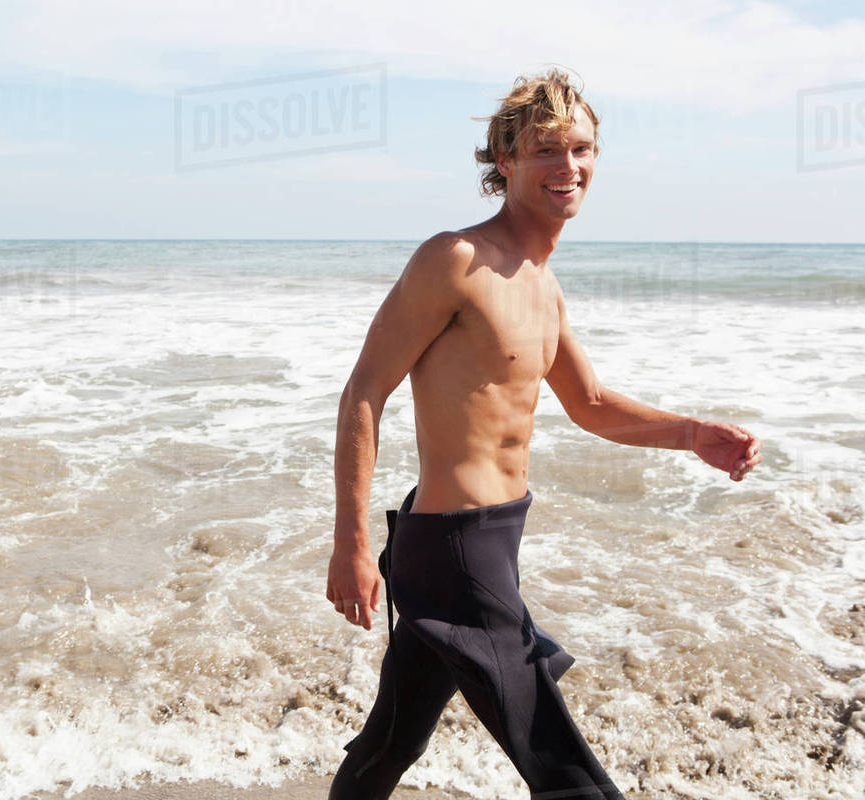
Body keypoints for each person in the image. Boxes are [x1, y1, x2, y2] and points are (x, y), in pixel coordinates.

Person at [324, 69, 763, 800]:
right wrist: (352, 544)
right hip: (457, 550)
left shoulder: (542, 284)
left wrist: (693, 435)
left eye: (582, 149)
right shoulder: (456, 261)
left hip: (486, 541)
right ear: (506, 161)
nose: (569, 168)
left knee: (390, 743)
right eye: (546, 151)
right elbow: (364, 390)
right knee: (571, 780)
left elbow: (589, 404)